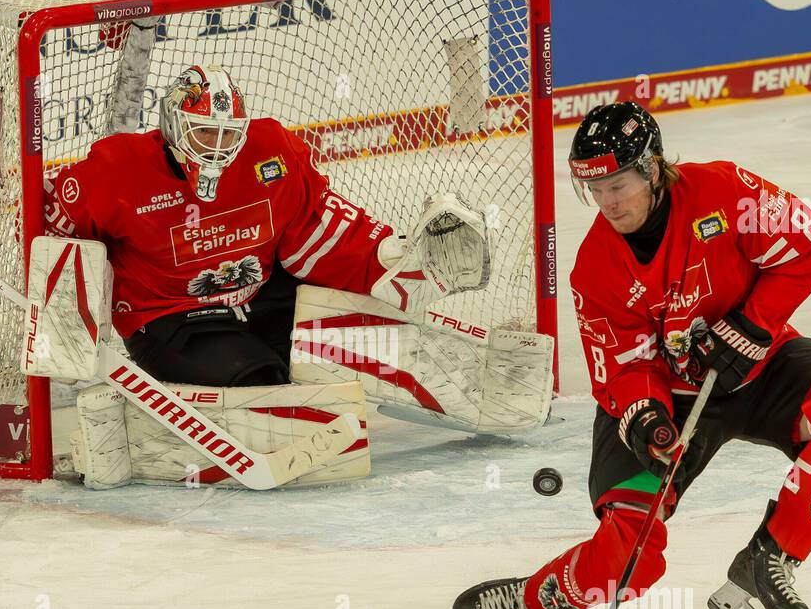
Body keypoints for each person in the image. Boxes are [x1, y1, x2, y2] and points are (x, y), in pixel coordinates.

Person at [450, 101, 811, 609]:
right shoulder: (595, 267)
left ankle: (769, 560)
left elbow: (806, 248)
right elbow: (623, 369)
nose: (607, 202)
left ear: (650, 167)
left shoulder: (723, 190)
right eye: (595, 188)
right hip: (672, 401)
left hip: (758, 367)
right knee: (625, 564)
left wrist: (752, 326)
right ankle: (530, 597)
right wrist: (647, 419)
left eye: (617, 183)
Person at [42, 64, 486, 389]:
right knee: (260, 380)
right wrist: (65, 327)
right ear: (174, 127)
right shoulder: (117, 171)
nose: (218, 147)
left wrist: (385, 255)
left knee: (348, 344)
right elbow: (54, 227)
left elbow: (310, 224)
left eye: (228, 133)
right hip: (169, 318)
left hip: (260, 295)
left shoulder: (269, 151)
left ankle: (420, 343)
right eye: (204, 133)